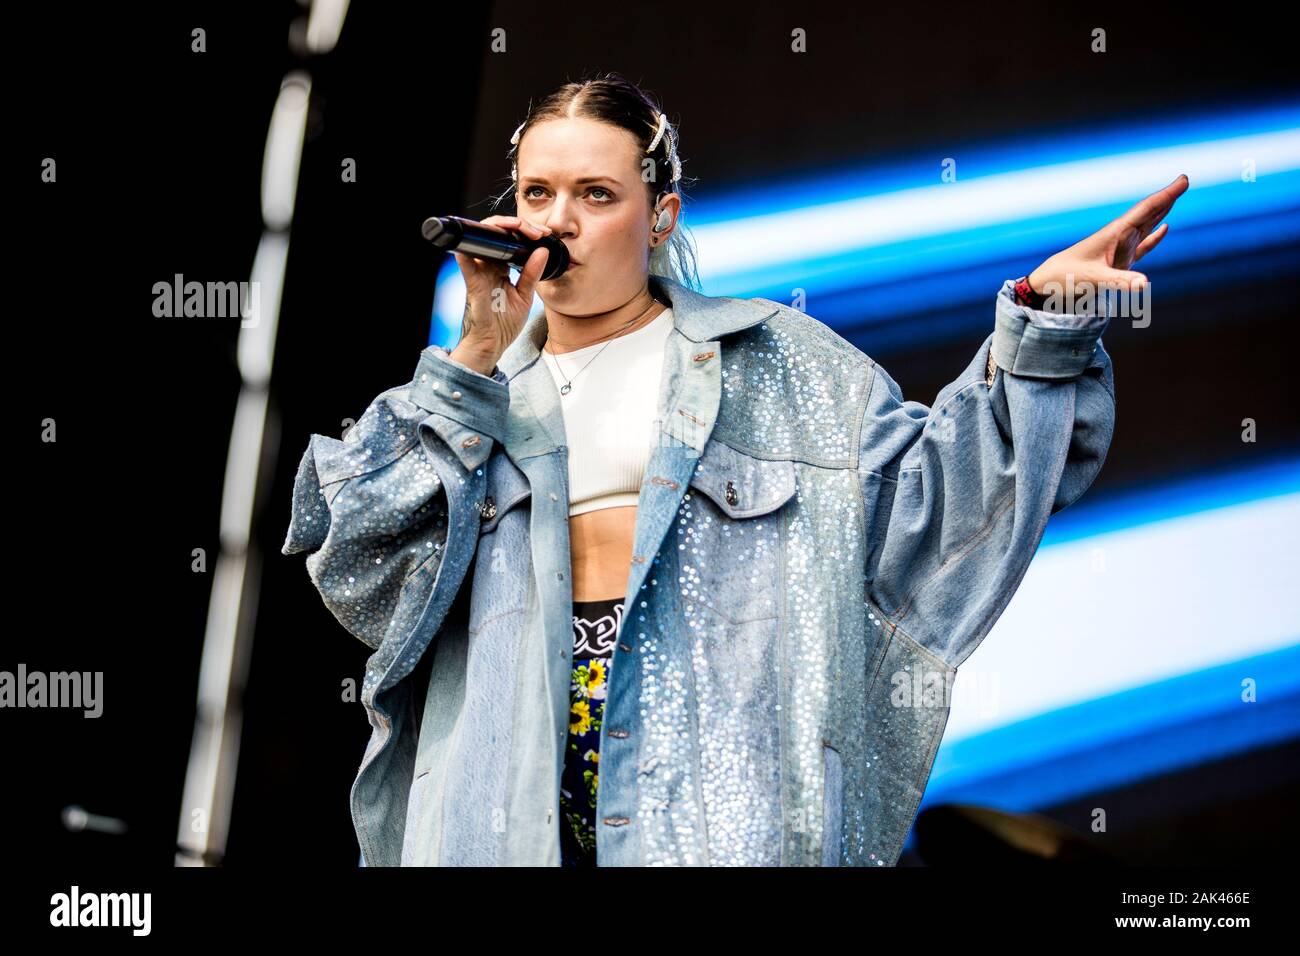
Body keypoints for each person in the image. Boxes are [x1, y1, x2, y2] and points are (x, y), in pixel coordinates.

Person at [282, 72, 1186, 867]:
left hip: (712, 798)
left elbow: (942, 505)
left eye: (596, 194)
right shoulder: (473, 393)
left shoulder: (783, 363)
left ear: (661, 214)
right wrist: (475, 350)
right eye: (538, 192)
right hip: (500, 805)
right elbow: (358, 560)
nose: (558, 220)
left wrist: (1039, 321)